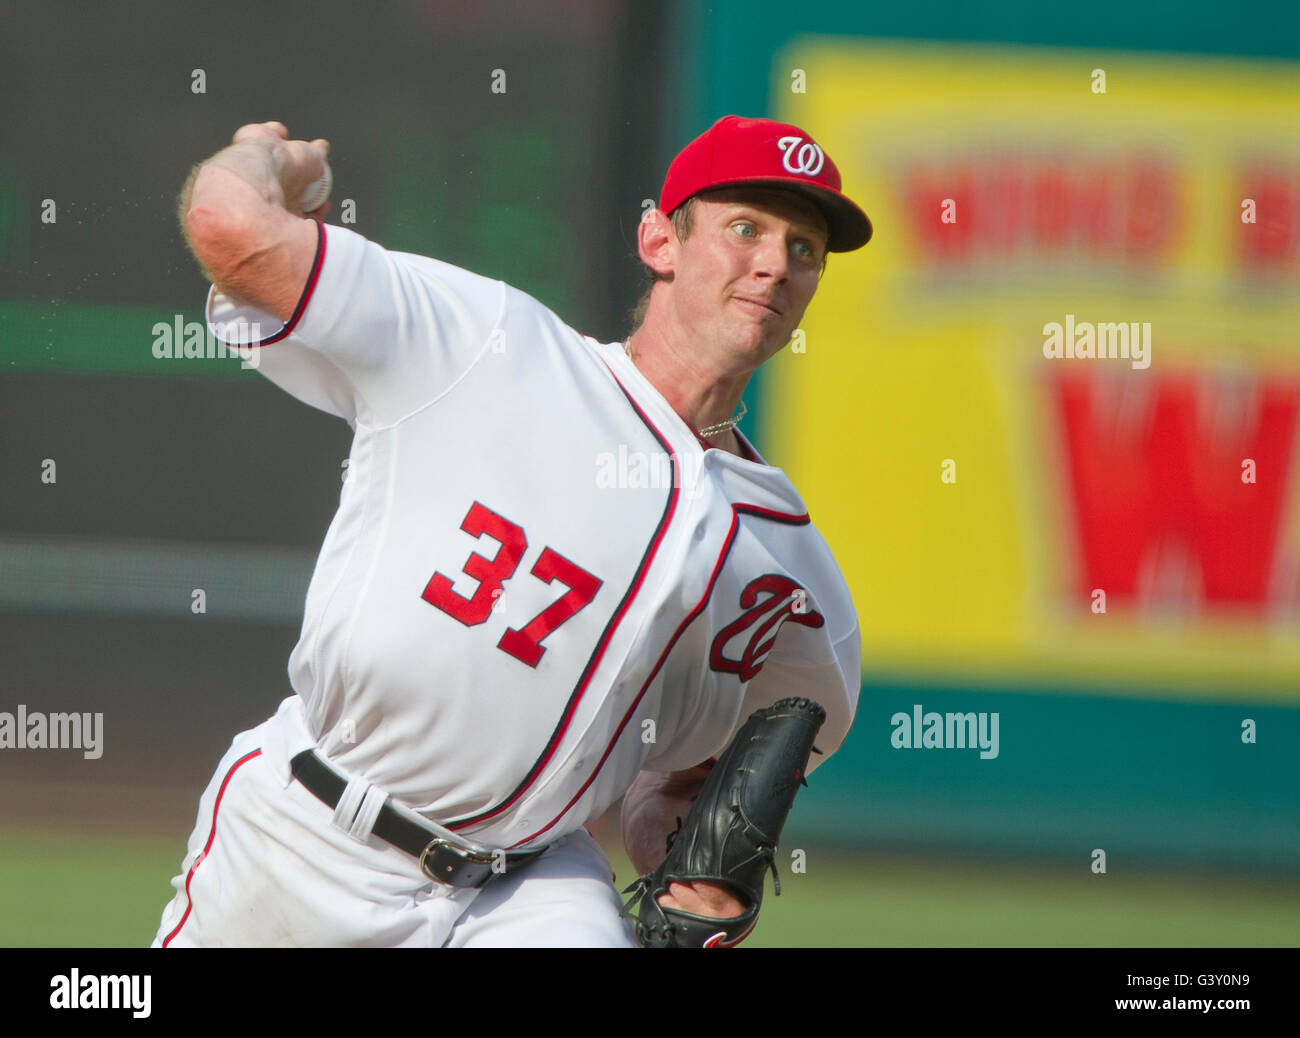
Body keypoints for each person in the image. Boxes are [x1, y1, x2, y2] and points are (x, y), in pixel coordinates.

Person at [153, 114, 871, 948]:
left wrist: (692, 872)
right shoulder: (486, 343)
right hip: (306, 835)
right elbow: (228, 226)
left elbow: (680, 788)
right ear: (659, 242)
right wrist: (267, 156)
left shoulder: (790, 576)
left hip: (526, 889)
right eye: (745, 228)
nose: (774, 264)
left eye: (804, 248)